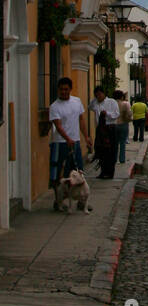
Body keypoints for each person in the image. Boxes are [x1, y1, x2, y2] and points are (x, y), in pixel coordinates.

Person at [49, 77, 92, 210]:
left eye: (66, 89)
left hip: (75, 142)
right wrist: (67, 138)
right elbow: (58, 125)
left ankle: (81, 201)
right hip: (60, 143)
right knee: (59, 173)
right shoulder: (54, 106)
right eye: (61, 89)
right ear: (58, 90)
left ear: (70, 89)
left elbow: (81, 120)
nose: (64, 92)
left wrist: (86, 136)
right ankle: (58, 201)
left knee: (79, 173)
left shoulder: (76, 102)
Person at [89, 86, 119, 176]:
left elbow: (117, 114)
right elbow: (89, 107)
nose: (98, 96)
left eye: (99, 94)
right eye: (96, 95)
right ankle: (103, 171)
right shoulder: (95, 103)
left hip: (110, 128)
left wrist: (107, 114)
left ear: (104, 93)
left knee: (111, 151)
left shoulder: (111, 102)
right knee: (101, 151)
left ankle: (110, 172)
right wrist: (94, 99)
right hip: (100, 129)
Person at [115, 91, 133, 164]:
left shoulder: (112, 104)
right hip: (123, 124)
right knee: (122, 142)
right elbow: (129, 113)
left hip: (114, 124)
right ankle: (122, 159)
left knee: (115, 143)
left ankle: (114, 159)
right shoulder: (125, 104)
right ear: (122, 97)